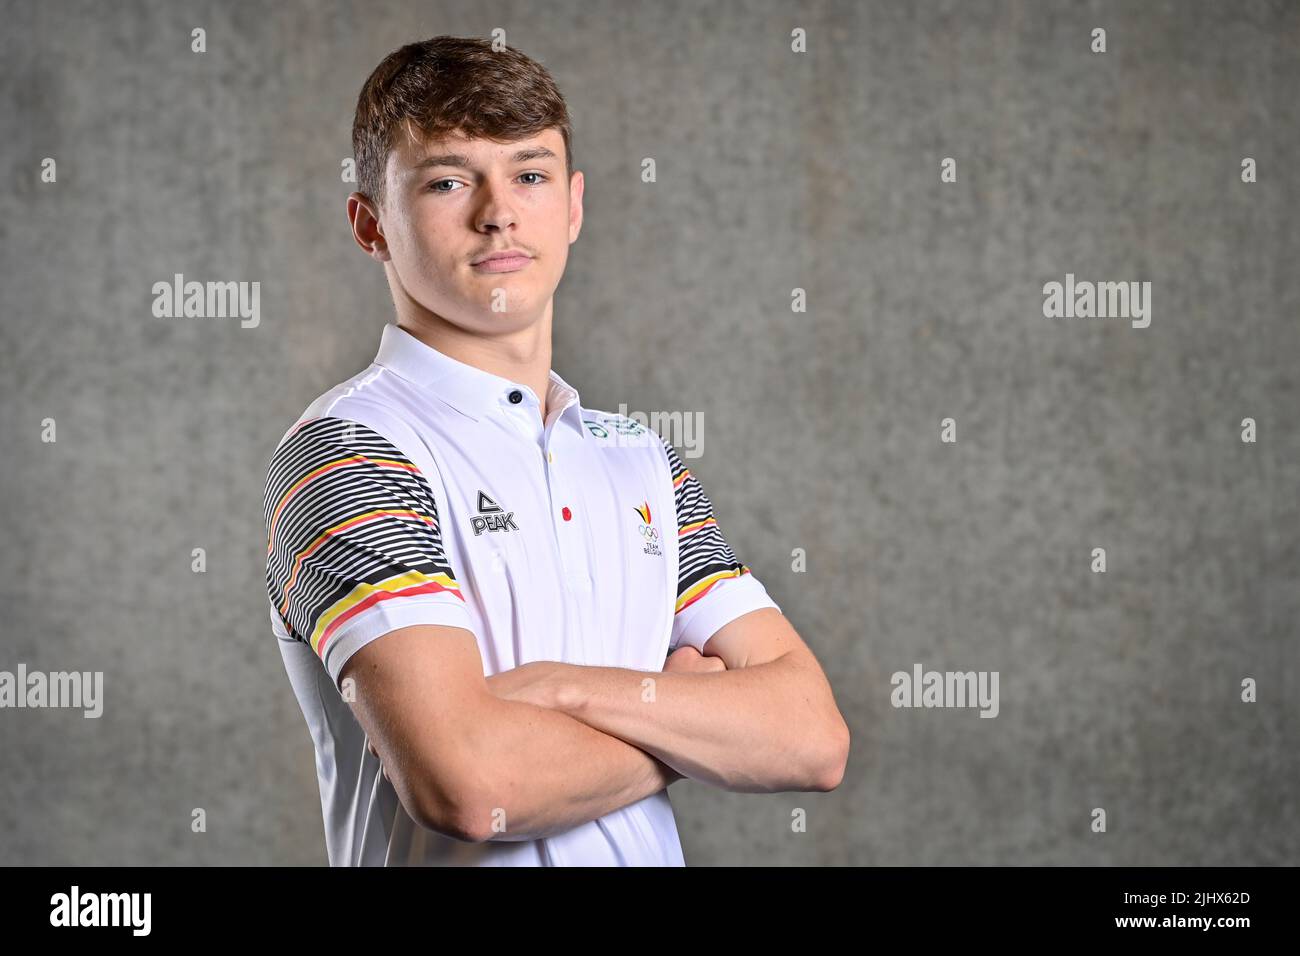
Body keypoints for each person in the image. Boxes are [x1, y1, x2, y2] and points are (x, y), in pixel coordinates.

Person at [262, 35, 849, 866]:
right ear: (371, 226)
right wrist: (689, 720)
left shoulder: (639, 459)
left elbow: (810, 737)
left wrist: (563, 689)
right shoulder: (349, 451)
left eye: (529, 174)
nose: (498, 211)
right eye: (447, 180)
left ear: (573, 207)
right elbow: (469, 786)